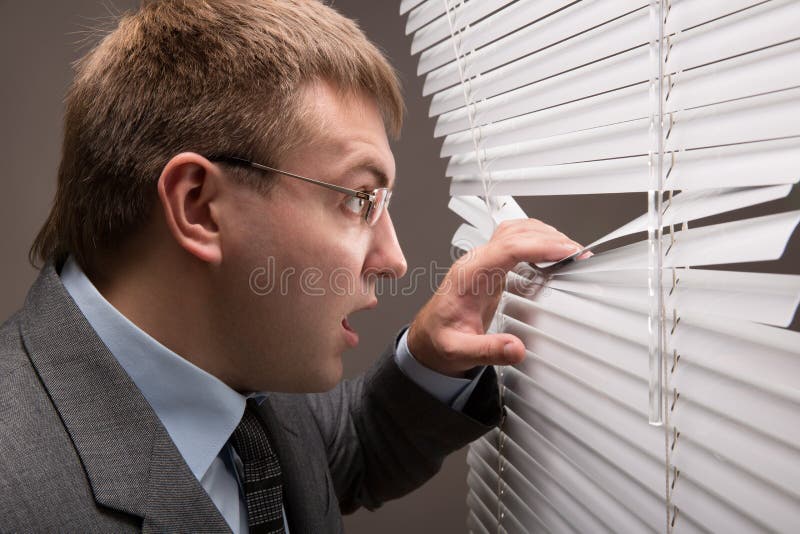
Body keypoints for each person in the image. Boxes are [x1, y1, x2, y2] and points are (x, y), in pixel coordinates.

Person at [0, 1, 581, 532]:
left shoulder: (240, 361)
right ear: (199, 206)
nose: (396, 261)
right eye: (359, 199)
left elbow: (345, 447)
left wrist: (431, 359)